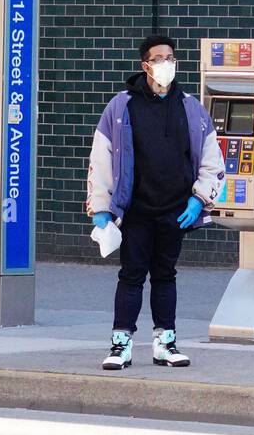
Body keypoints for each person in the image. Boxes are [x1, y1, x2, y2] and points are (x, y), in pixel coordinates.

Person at [86, 34, 225, 370]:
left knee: (165, 275)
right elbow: (102, 158)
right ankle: (121, 344)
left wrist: (199, 199)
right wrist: (100, 208)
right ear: (144, 65)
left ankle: (166, 342)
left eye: (171, 58)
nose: (167, 64)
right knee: (131, 275)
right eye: (160, 58)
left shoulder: (190, 108)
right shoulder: (121, 107)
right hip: (136, 210)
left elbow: (212, 159)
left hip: (176, 209)